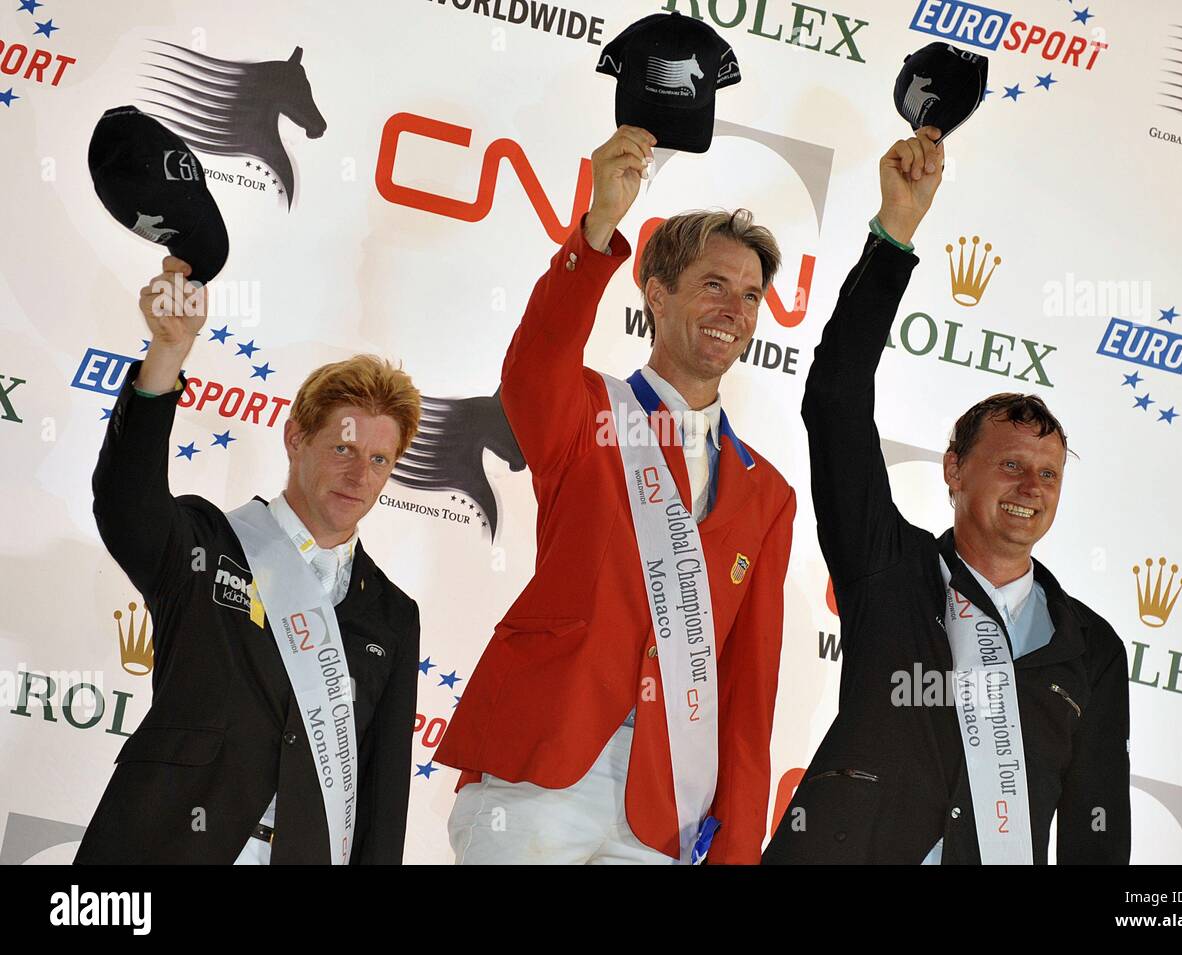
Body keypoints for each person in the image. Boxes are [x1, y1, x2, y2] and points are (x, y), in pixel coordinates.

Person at [764, 128, 1130, 865]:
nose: (1031, 487)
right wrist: (894, 231)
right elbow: (835, 399)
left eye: (1049, 473)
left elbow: (1097, 830)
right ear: (954, 470)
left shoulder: (1091, 649)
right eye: (1011, 465)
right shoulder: (886, 568)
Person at [435, 126, 797, 864]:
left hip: (664, 806)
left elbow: (748, 694)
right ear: (656, 295)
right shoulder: (587, 408)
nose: (735, 310)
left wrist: (735, 854)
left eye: (752, 296)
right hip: (539, 775)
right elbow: (533, 365)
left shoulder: (770, 494)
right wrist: (599, 227)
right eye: (714, 285)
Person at [75, 257, 422, 864]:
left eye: (378, 460)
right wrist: (166, 357)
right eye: (342, 447)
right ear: (295, 438)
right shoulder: (209, 542)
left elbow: (383, 800)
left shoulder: (392, 616)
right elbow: (126, 506)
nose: (357, 474)